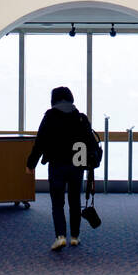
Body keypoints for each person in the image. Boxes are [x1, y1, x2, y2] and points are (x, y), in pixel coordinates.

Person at [26, 85, 98, 251]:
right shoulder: (80, 118)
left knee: (57, 203)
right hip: (77, 165)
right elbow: (91, 142)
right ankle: (74, 236)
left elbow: (40, 142)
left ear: (54, 100)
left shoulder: (50, 117)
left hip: (57, 164)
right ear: (71, 98)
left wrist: (31, 164)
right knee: (75, 201)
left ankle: (60, 237)